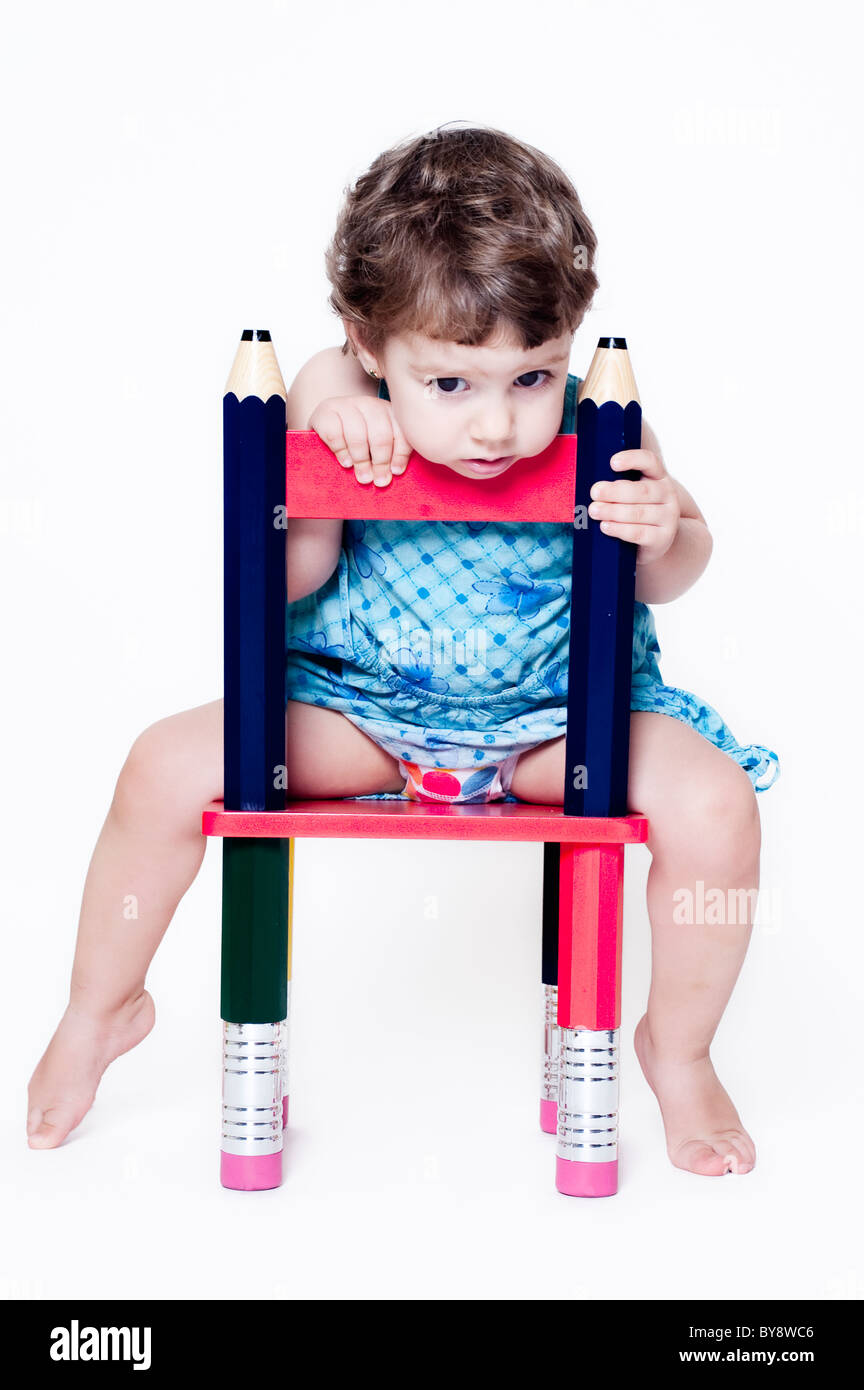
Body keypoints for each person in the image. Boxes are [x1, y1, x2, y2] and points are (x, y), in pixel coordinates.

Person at [27, 123, 779, 1178]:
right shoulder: (338, 392)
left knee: (718, 808)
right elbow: (280, 580)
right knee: (162, 764)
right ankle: (102, 1008)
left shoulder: (599, 418)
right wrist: (323, 450)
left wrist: (667, 530)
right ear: (374, 347)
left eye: (531, 376)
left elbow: (673, 567)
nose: (496, 428)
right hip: (364, 714)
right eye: (452, 385)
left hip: (562, 724)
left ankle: (681, 1047)